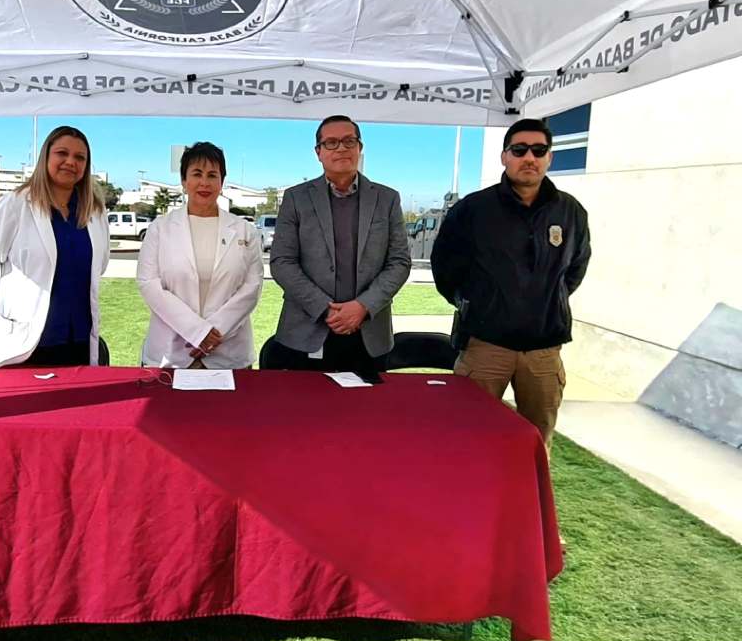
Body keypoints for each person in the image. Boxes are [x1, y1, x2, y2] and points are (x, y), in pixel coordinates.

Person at [431, 118, 591, 452]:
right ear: (504, 157)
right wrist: (473, 303)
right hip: (485, 348)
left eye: (538, 150)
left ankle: (526, 505)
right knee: (467, 437)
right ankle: (467, 503)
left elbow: (575, 268)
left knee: (535, 442)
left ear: (550, 157)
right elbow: (445, 267)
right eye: (519, 150)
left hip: (544, 352)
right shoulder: (473, 210)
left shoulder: (571, 212)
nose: (528, 157)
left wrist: (549, 301)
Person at [268, 114, 411, 377]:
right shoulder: (296, 198)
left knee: (366, 415)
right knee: (303, 412)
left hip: (368, 332)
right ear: (318, 152)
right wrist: (325, 308)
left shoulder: (387, 199)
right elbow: (282, 262)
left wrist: (362, 306)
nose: (341, 148)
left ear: (360, 148)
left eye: (349, 141)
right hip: (307, 331)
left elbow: (399, 262)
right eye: (331, 143)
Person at [0, 125, 110, 377]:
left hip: (78, 337)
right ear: (46, 156)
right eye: (62, 153)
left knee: (73, 413)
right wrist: (19, 299)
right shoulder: (15, 203)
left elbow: (100, 264)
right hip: (29, 340)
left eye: (80, 157)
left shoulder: (95, 212)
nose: (71, 162)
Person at [137, 143, 263, 368]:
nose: (204, 182)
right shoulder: (160, 228)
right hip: (171, 353)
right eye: (197, 174)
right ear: (184, 181)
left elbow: (251, 287)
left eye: (212, 175)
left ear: (221, 182)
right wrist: (197, 331)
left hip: (229, 353)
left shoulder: (245, 230)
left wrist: (215, 332)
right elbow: (149, 284)